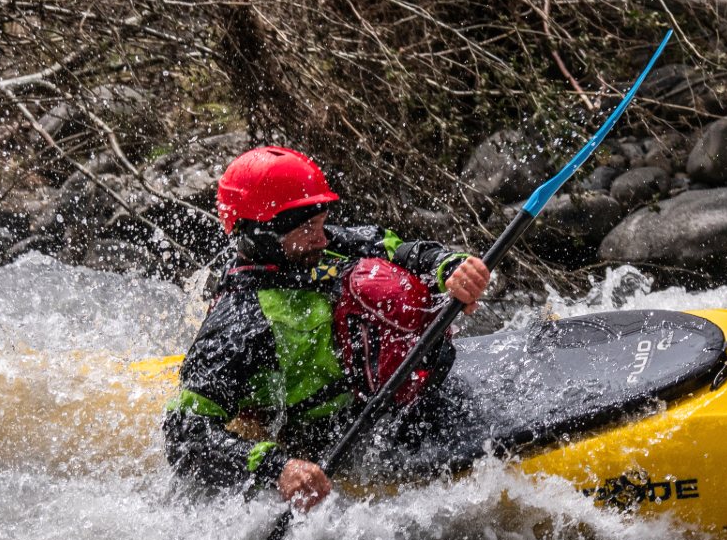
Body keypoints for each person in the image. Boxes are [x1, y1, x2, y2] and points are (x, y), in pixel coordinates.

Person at [163, 146, 489, 512]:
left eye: (321, 223)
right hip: (323, 440)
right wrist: (279, 468)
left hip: (401, 404)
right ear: (262, 236)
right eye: (308, 229)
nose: (323, 239)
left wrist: (454, 268)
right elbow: (184, 435)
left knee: (378, 280)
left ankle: (414, 388)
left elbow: (408, 252)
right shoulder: (237, 324)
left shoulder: (328, 244)